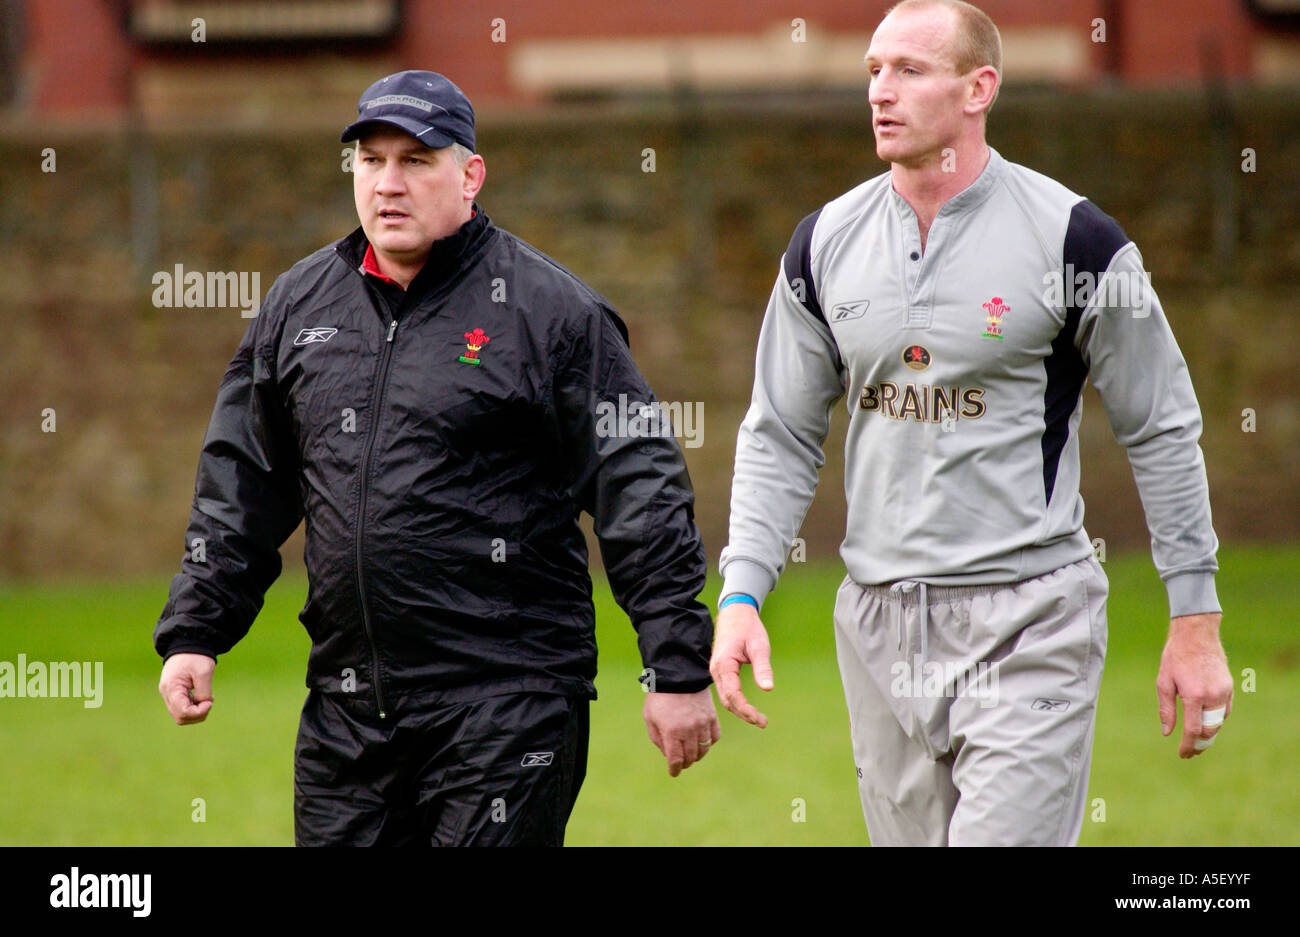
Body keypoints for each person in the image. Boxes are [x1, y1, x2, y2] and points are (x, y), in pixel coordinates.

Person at [711, 0, 1232, 846]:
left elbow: (1162, 426)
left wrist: (1196, 620)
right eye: (873, 71)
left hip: (1031, 619)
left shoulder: (1077, 240)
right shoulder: (821, 244)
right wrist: (740, 592)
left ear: (978, 88)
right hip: (878, 622)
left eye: (909, 70)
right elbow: (779, 432)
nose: (880, 90)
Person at [154, 70, 720, 846]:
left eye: (417, 160)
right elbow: (241, 481)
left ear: (470, 174)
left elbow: (642, 490)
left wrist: (677, 665)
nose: (388, 183)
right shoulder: (299, 305)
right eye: (370, 160)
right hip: (349, 715)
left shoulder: (551, 313)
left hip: (508, 707)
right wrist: (196, 629)